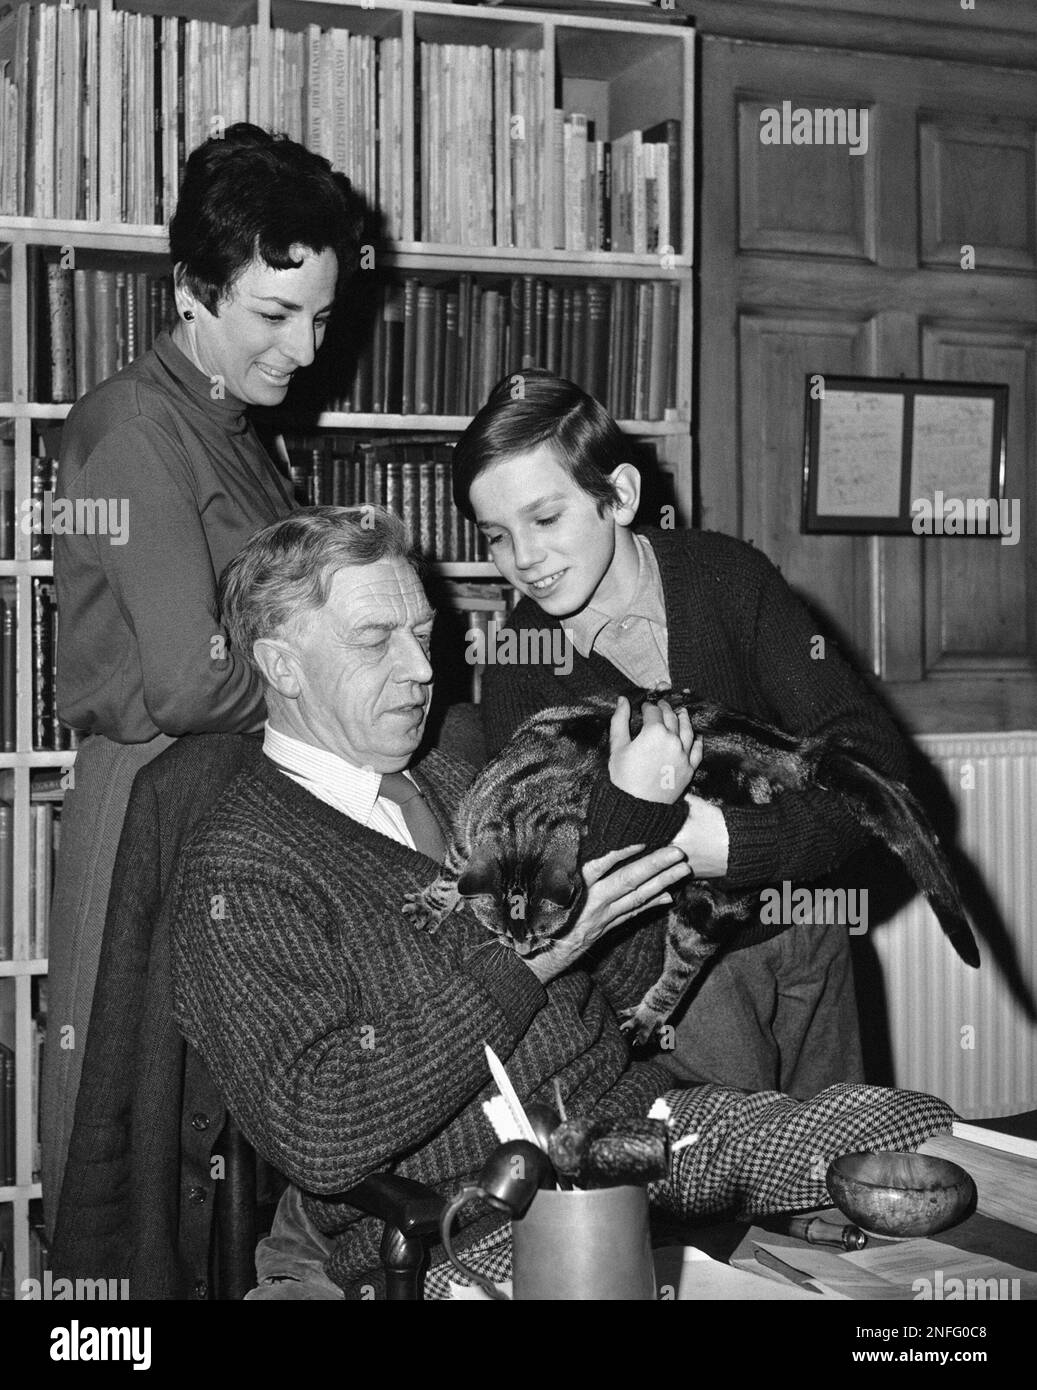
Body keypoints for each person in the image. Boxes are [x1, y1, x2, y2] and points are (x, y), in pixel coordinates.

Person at [169, 506, 953, 1299]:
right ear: (282, 664)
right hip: (469, 1220)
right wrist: (529, 961)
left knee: (919, 1131)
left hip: (630, 1141)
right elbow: (319, 1129)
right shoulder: (238, 869)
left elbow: (612, 987)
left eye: (422, 632)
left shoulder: (462, 780)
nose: (421, 668)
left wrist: (635, 846)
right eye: (376, 640)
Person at [43, 123, 364, 1229]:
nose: (304, 349)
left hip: (225, 807)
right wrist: (337, 693)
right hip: (145, 804)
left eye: (319, 316)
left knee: (214, 1166)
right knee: (122, 1154)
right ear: (191, 291)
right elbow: (186, 684)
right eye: (273, 315)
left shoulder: (234, 427)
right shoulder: (135, 426)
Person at [451, 369, 914, 1099]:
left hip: (812, 925)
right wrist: (649, 815)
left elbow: (873, 763)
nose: (523, 558)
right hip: (676, 983)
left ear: (620, 496)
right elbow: (549, 882)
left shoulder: (728, 578)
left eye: (545, 519)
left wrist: (729, 844)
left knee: (841, 1158)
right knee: (730, 1190)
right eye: (496, 536)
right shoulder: (518, 665)